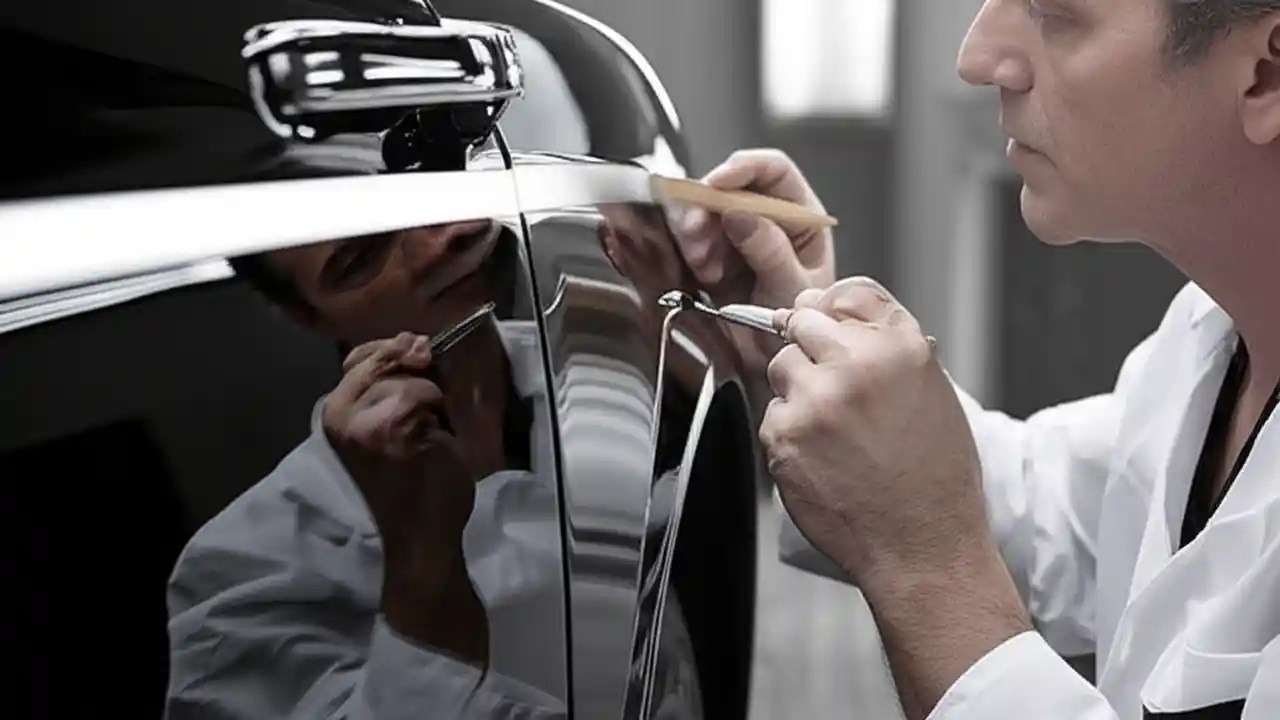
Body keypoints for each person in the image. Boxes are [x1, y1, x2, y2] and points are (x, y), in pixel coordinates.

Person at [672, 1, 1280, 718]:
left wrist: (930, 572)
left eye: (1054, 12)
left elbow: (956, 532)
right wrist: (815, 333)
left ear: (1265, 75)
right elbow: (1056, 510)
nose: (978, 57)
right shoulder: (1207, 344)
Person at [164, 220, 568, 719]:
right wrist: (419, 562)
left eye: (429, 202)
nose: (447, 239)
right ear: (306, 315)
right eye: (360, 259)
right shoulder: (241, 570)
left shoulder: (622, 366)